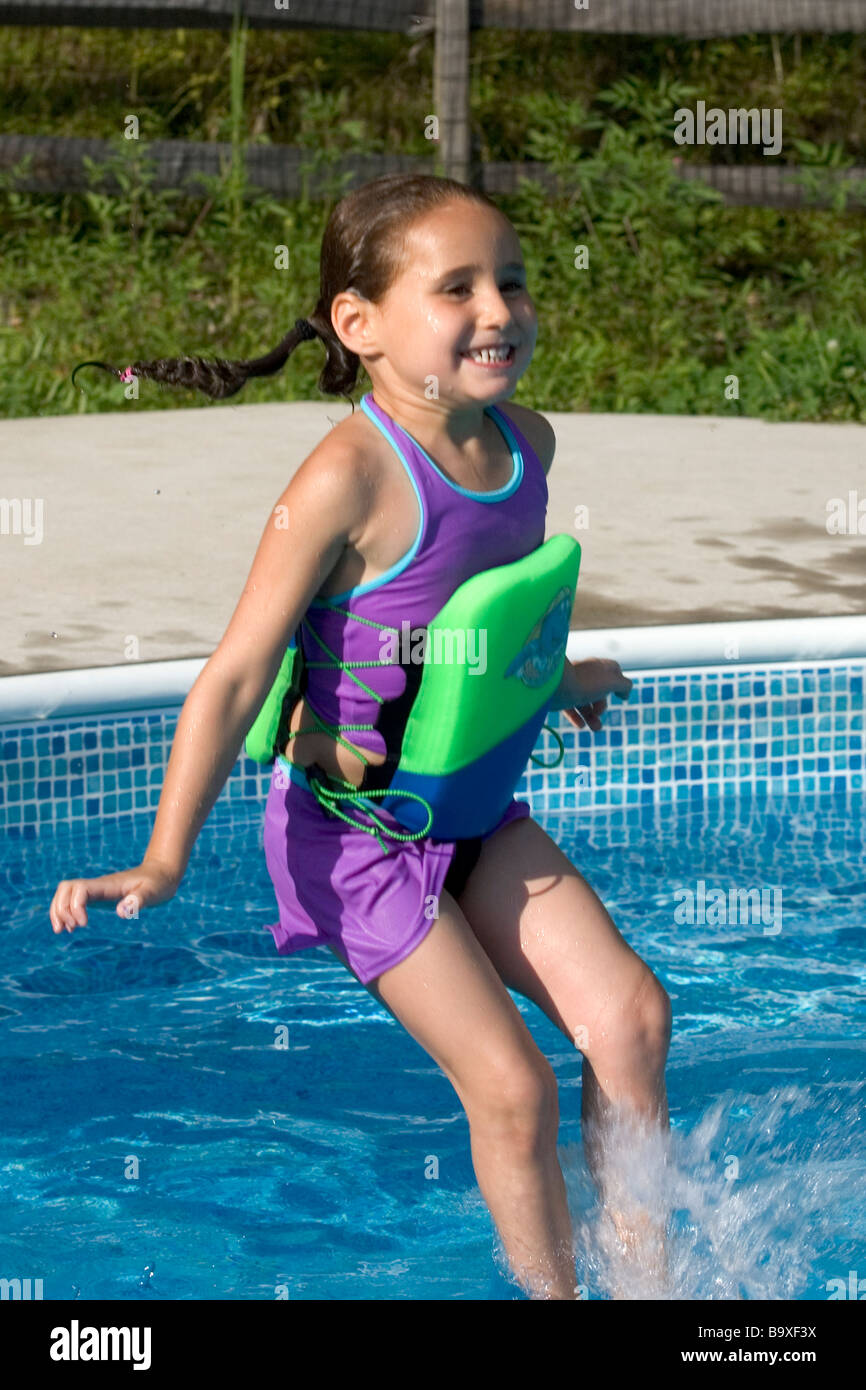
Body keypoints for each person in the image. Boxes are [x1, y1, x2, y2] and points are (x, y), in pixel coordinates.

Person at [53, 173, 671, 1300]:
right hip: (355, 838)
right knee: (514, 1090)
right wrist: (164, 856)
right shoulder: (347, 474)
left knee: (630, 1020)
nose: (500, 309)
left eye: (514, 281)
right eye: (457, 288)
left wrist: (556, 679)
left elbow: (468, 643)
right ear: (359, 325)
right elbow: (239, 670)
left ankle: (649, 1286)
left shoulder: (526, 445)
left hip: (475, 817)